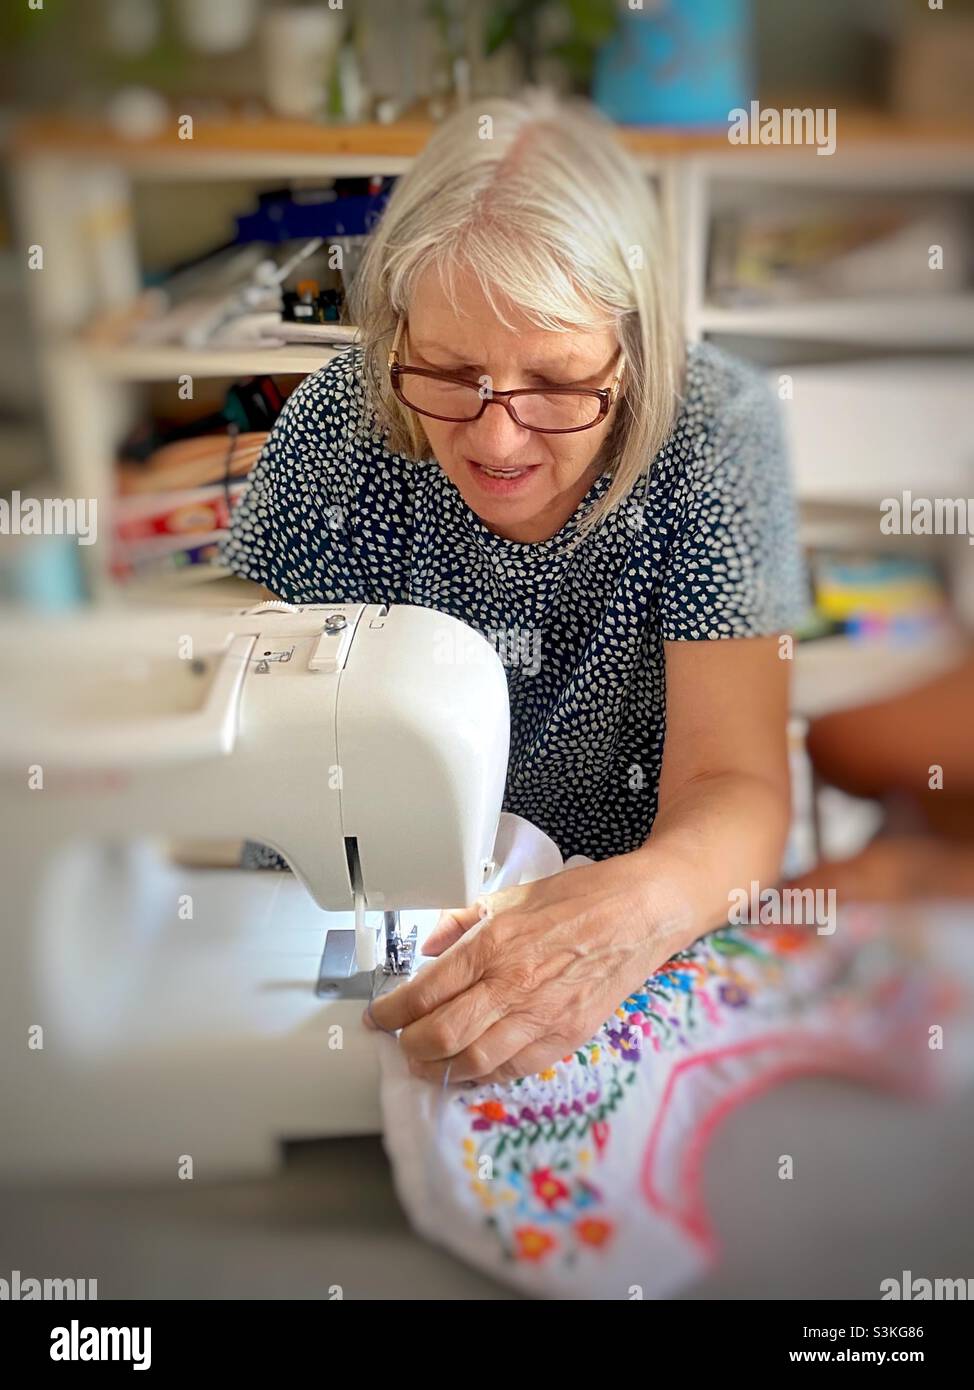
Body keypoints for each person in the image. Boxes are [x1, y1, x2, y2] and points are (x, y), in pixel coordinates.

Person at [222, 90, 806, 1085]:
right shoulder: (338, 428)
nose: (494, 438)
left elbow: (736, 788)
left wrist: (626, 914)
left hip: (624, 869)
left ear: (633, 351)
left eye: (555, 382)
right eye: (447, 370)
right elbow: (271, 726)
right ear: (393, 331)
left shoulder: (715, 432)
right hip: (385, 877)